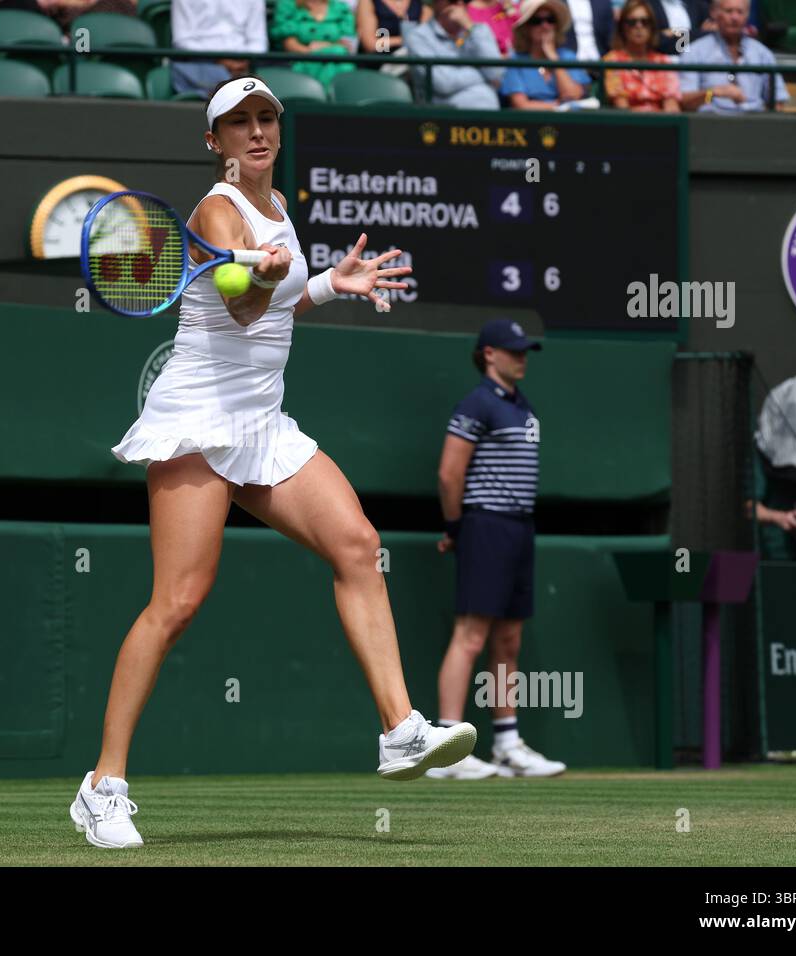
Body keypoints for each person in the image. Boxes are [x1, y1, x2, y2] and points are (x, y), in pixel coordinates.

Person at [70, 75, 477, 849]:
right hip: (198, 423)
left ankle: (400, 729)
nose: (256, 131)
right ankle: (103, 786)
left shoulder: (278, 209)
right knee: (178, 601)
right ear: (214, 141)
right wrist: (255, 277)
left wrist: (327, 282)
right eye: (239, 122)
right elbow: (243, 306)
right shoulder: (218, 211)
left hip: (261, 422)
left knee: (358, 544)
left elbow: (278, 302)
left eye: (266, 119)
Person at [429, 319, 566, 781]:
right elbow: (450, 473)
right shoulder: (477, 403)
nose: (522, 356)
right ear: (489, 354)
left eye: (525, 350)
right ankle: (447, 748)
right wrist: (457, 527)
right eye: (513, 350)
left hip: (520, 529)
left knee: (509, 641)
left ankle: (507, 744)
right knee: (470, 635)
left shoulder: (522, 406)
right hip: (484, 524)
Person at [678, 0, 787, 112]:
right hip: (711, 123)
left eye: (740, 12)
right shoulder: (695, 52)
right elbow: (686, 103)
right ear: (714, 13)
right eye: (728, 11)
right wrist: (712, 93)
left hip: (754, 122)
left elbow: (778, 100)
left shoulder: (762, 54)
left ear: (748, 15)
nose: (734, 17)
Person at [402, 0, 504, 108]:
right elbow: (444, 84)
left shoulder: (479, 30)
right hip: (443, 117)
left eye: (465, 0)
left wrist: (470, 29)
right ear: (436, 3)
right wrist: (483, 74)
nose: (460, 4)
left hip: (489, 119)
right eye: (452, 0)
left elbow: (496, 73)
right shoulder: (418, 36)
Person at [499, 0, 591, 109]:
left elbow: (573, 95)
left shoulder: (567, 56)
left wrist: (553, 58)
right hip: (530, 123)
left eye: (550, 20)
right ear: (526, 28)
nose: (545, 26)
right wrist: (557, 106)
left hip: (568, 123)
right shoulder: (516, 61)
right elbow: (521, 104)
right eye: (537, 21)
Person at [170, 0, 268, 97]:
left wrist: (241, 61)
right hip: (201, 61)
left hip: (245, 62)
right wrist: (219, 59)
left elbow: (258, 42)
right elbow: (182, 41)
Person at [602, 0, 680, 110]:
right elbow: (621, 107)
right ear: (622, 27)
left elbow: (672, 107)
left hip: (663, 125)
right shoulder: (612, 60)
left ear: (652, 27)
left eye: (645, 22)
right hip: (629, 125)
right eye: (632, 22)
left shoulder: (664, 61)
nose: (639, 26)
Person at [270, 0, 358, 87]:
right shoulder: (289, 4)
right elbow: (290, 44)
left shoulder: (341, 8)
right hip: (302, 60)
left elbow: (348, 45)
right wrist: (314, 52)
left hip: (337, 61)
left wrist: (322, 47)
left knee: (339, 56)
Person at [355, 0, 432, 56]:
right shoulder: (368, 2)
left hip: (411, 67)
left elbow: (428, 41)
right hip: (376, 68)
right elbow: (370, 45)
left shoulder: (422, 6)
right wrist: (404, 40)